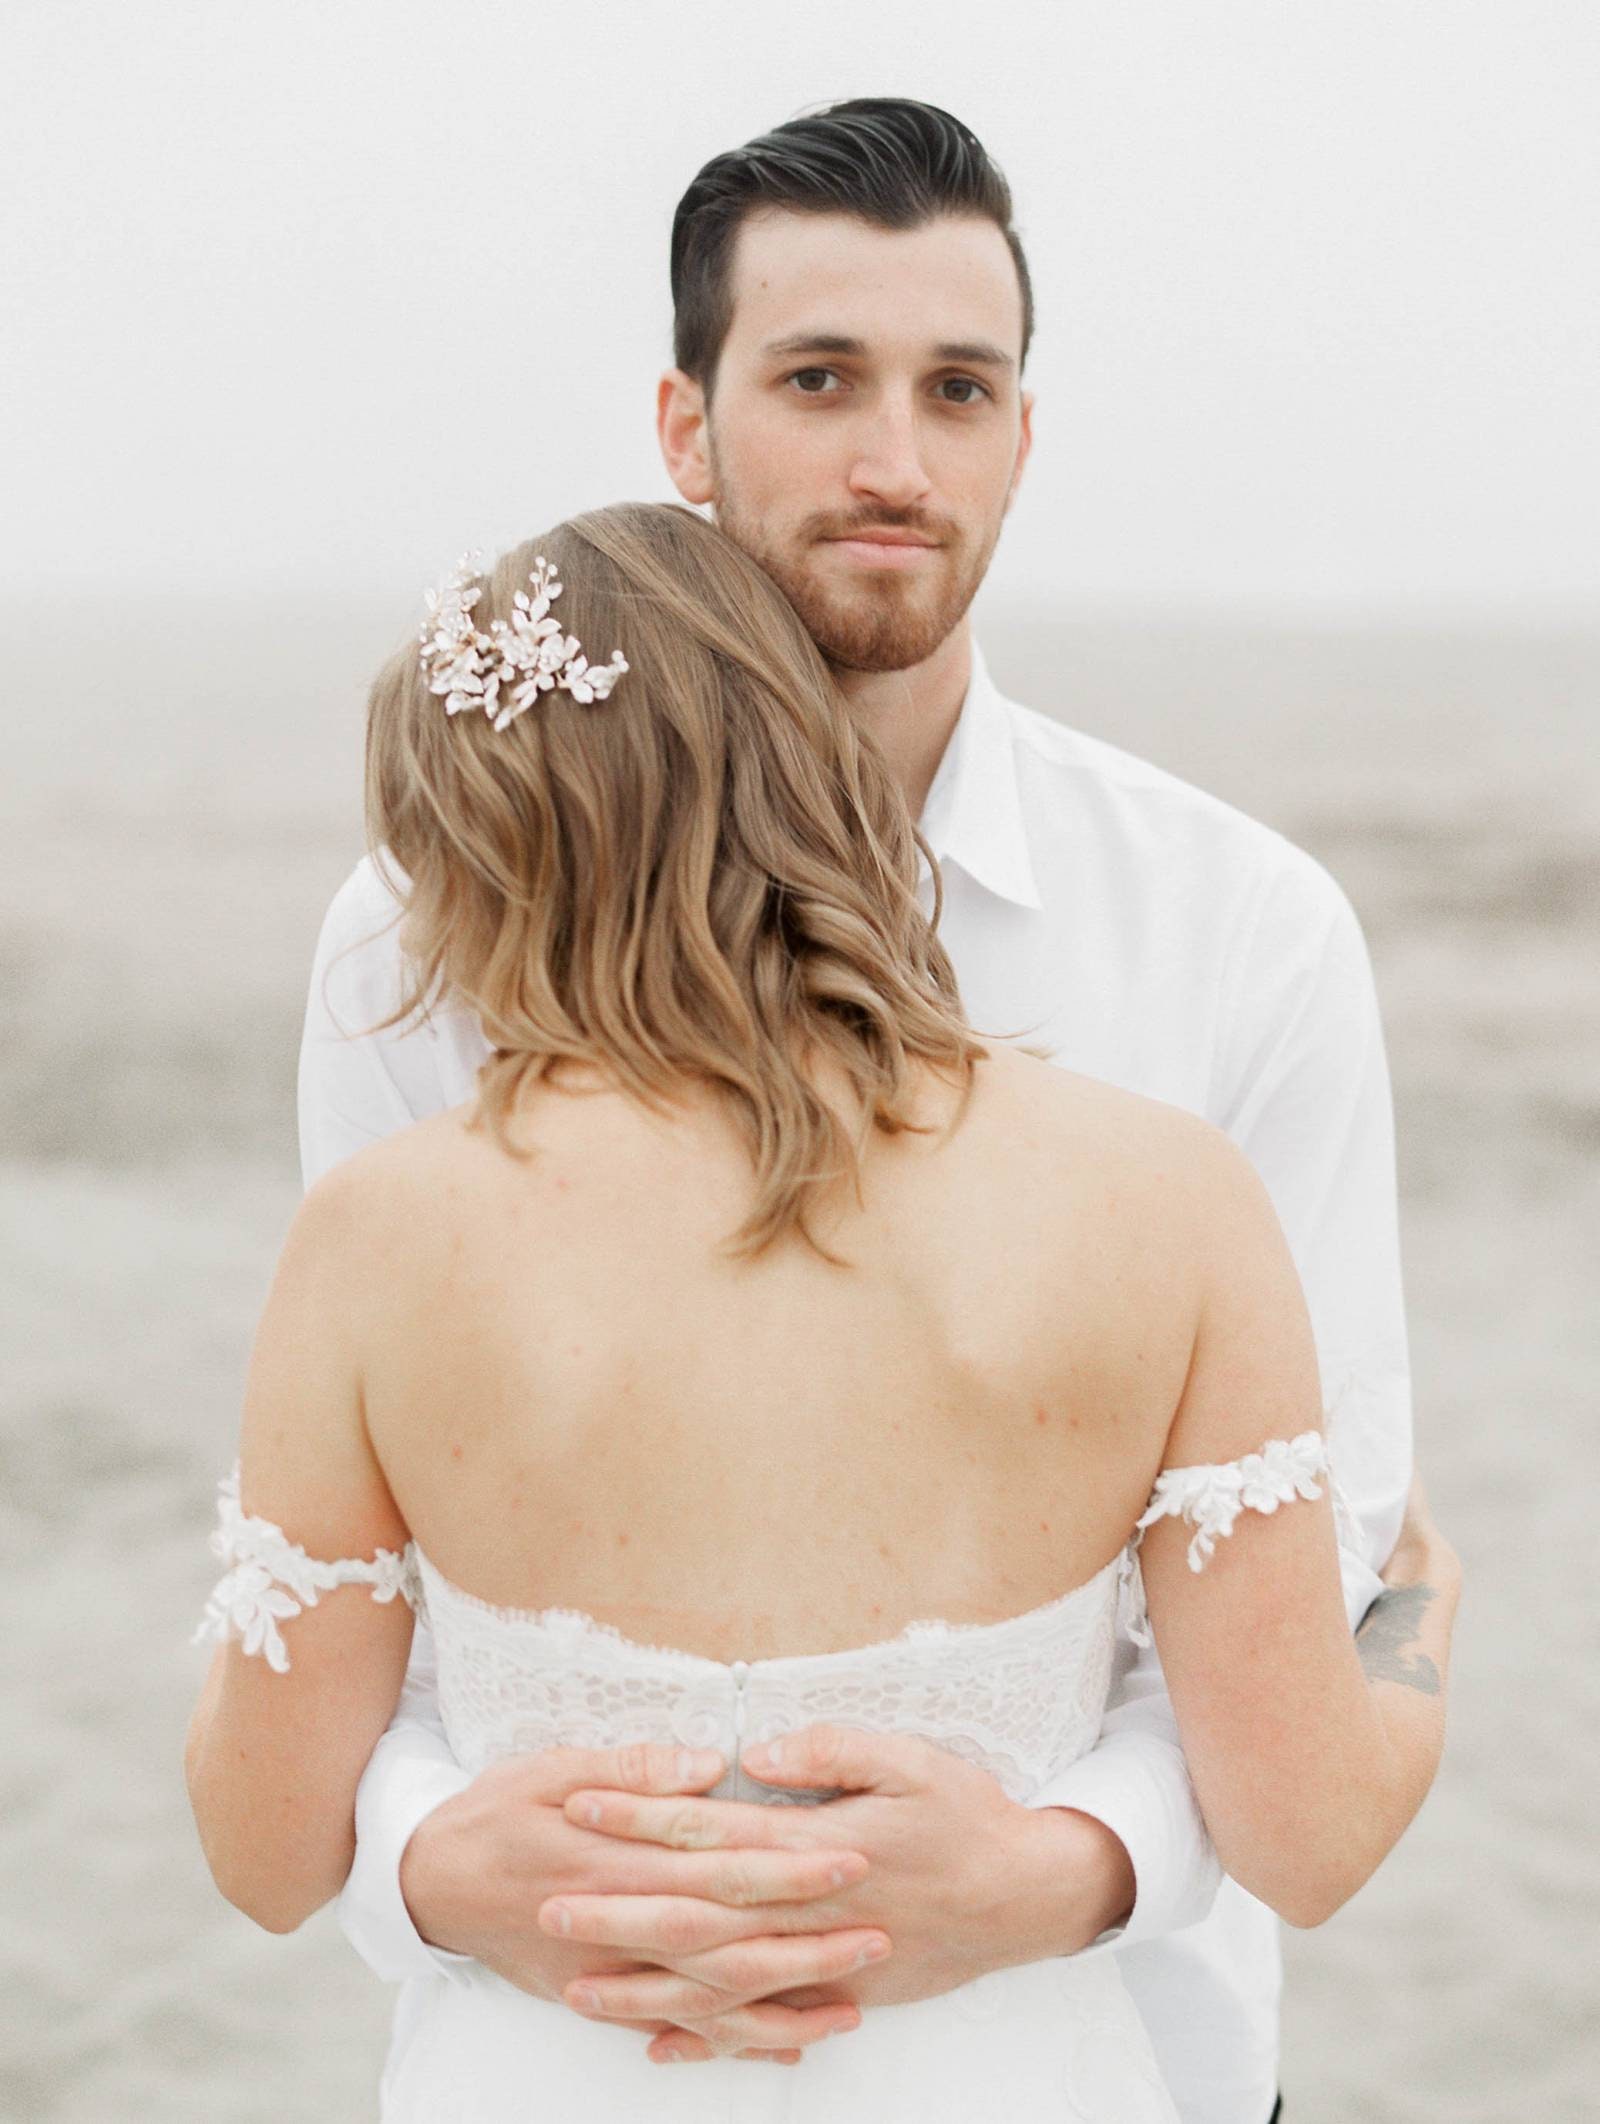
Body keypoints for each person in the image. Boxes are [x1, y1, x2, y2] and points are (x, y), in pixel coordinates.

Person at [277, 100, 1452, 2123]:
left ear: (1020, 433)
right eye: (817, 381)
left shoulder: (1238, 931)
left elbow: (1304, 1580)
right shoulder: (422, 930)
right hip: (578, 2043)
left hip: (1124, 2055)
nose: (892, 462)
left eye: (958, 390)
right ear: (684, 423)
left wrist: (1056, 1874)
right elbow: (368, 1551)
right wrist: (413, 1862)